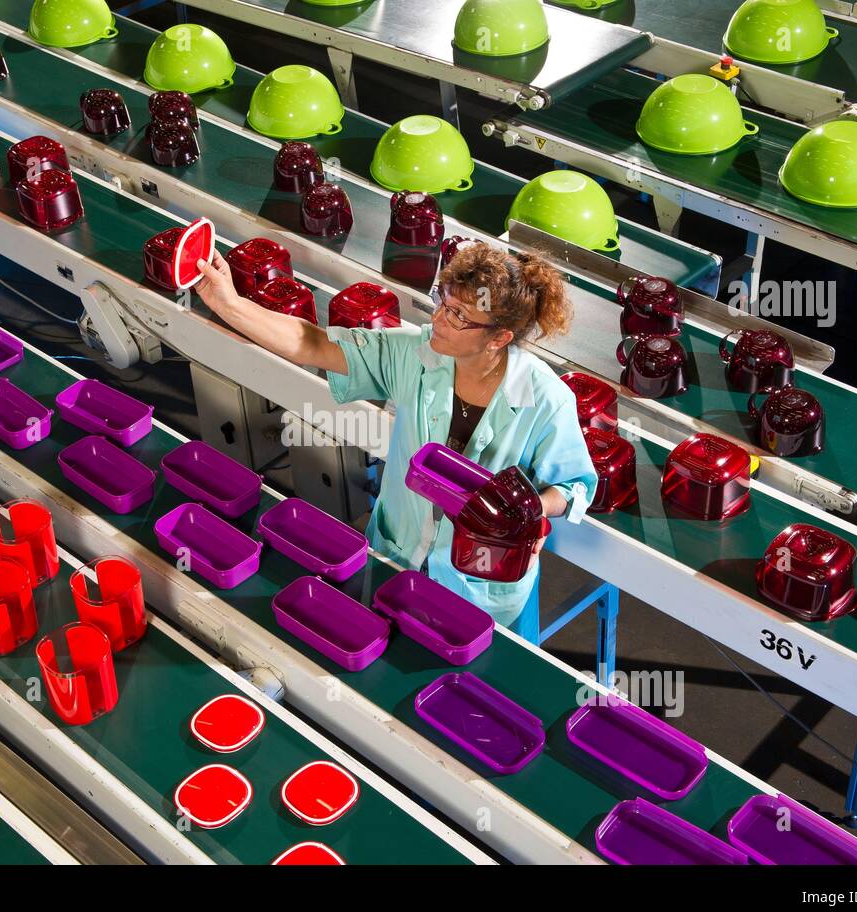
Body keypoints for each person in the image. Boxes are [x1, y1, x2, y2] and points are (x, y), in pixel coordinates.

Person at [193, 242, 597, 643]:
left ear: (498, 337)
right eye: (443, 301)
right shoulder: (418, 355)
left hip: (480, 586)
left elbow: (577, 485)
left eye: (459, 316)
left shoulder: (544, 399)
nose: (438, 318)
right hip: (400, 552)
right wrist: (229, 304)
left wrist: (528, 509)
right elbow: (312, 343)